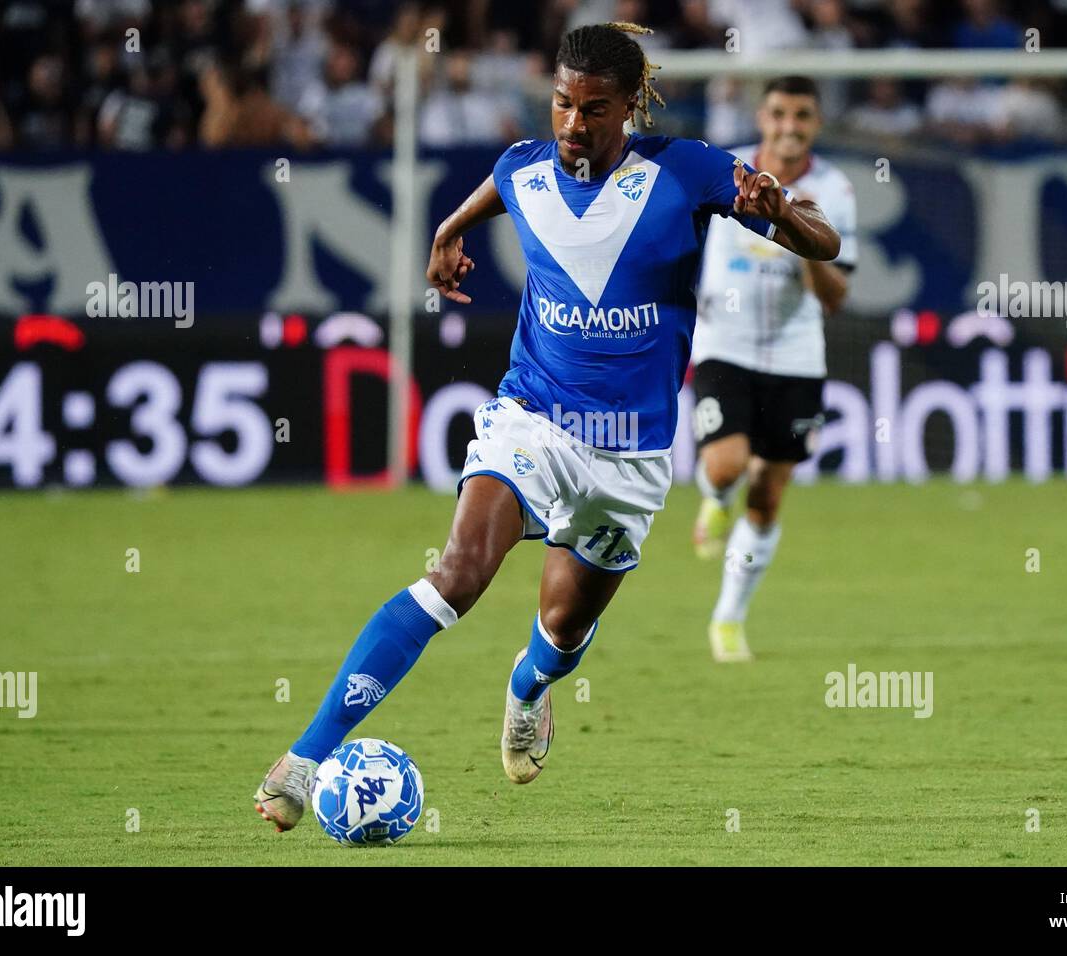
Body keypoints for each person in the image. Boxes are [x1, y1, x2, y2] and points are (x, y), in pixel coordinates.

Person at [254, 21, 839, 831]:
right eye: (562, 104)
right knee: (457, 572)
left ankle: (528, 689)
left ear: (631, 106)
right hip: (532, 419)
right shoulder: (524, 165)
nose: (573, 124)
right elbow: (497, 186)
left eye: (594, 109)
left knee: (564, 626)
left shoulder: (690, 172)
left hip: (630, 457)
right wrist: (447, 232)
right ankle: (303, 760)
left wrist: (779, 211)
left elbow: (827, 241)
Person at [689, 76, 858, 663]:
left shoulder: (833, 189)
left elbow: (835, 298)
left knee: (767, 497)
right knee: (728, 462)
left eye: (803, 116)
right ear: (762, 117)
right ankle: (713, 492)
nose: (790, 126)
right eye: (780, 114)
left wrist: (799, 236)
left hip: (795, 354)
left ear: (816, 123)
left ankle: (729, 618)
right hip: (723, 343)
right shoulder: (725, 171)